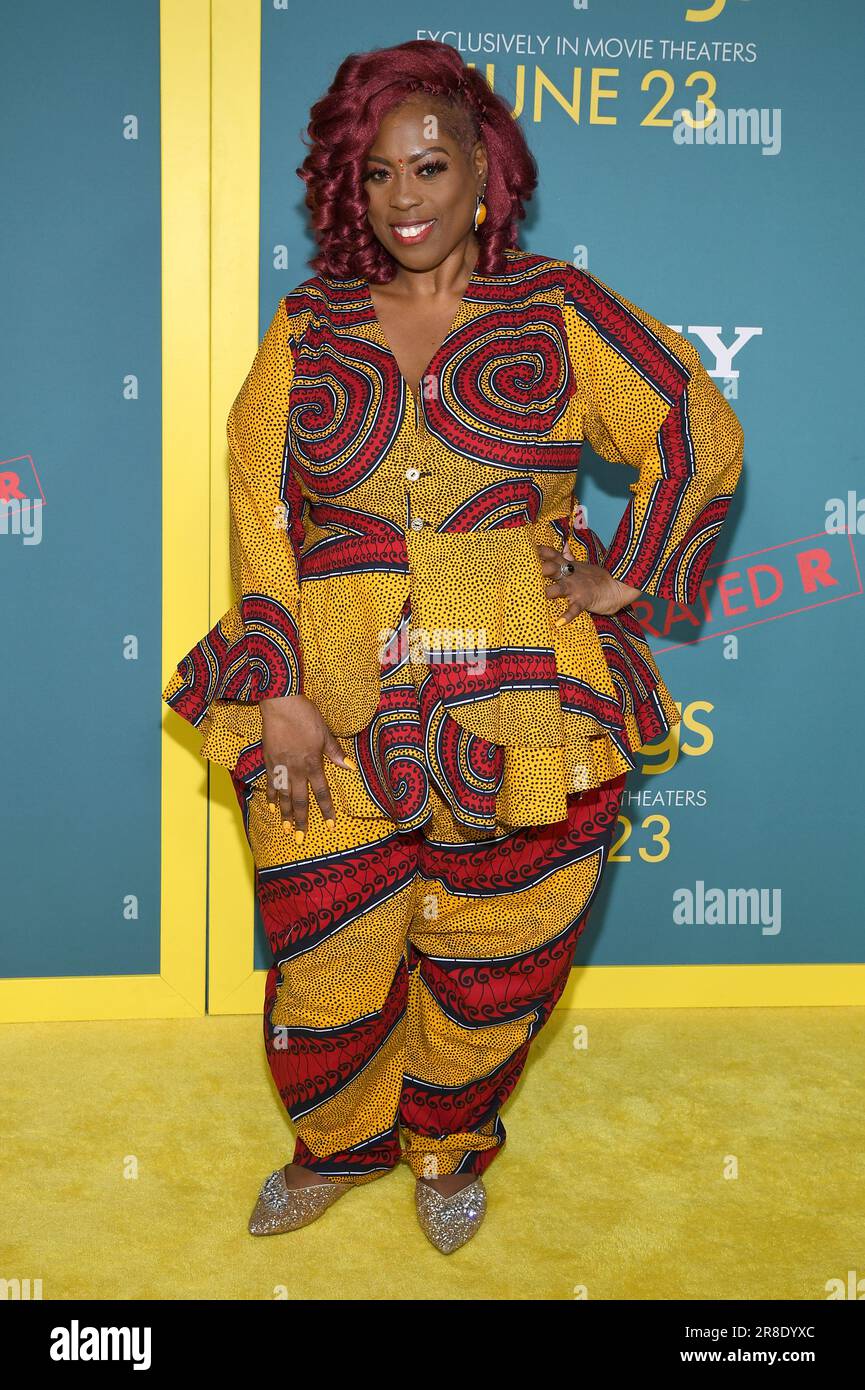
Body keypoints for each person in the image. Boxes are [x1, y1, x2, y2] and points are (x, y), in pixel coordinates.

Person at [162, 39, 744, 1255]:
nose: (404, 197)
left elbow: (693, 420)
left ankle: (446, 1145)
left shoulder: (557, 310)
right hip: (335, 692)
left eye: (429, 166)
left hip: (525, 688)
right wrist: (277, 686)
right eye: (377, 174)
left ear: (486, 174)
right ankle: (337, 1144)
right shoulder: (310, 324)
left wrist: (623, 573)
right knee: (325, 958)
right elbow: (259, 502)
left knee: (499, 955)